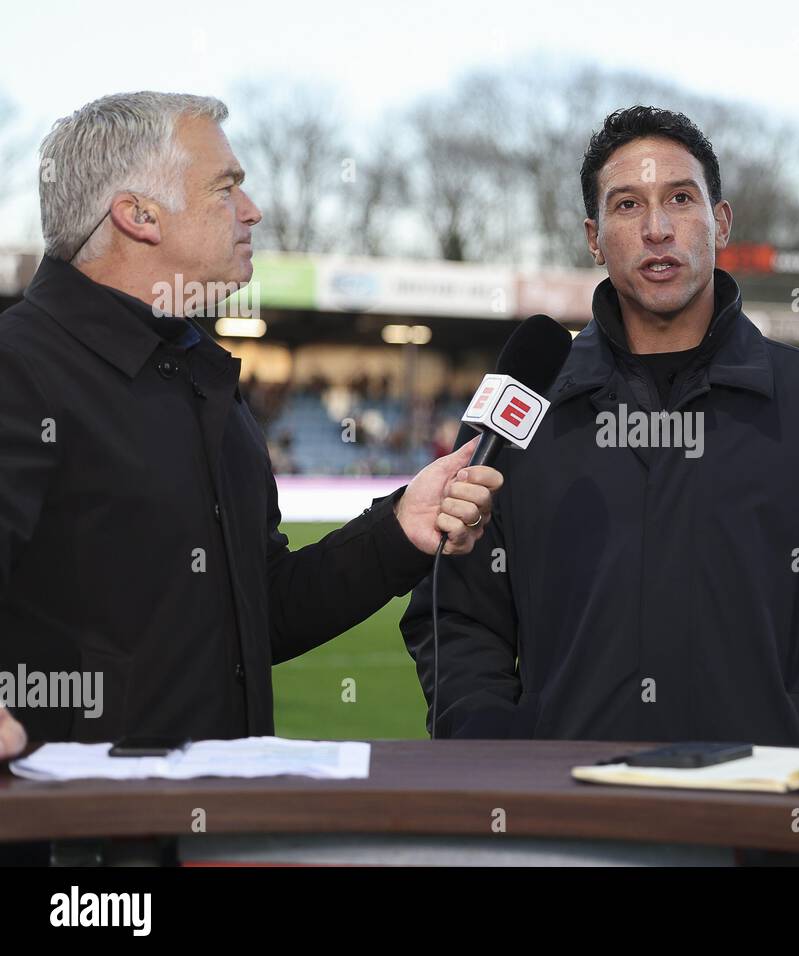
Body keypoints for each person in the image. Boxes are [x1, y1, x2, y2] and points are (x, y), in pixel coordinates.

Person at [402, 106, 799, 752]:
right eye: (627, 205)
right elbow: (456, 616)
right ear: (594, 237)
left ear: (720, 222)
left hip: (766, 810)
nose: (657, 229)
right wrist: (500, 754)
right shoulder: (517, 410)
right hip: (566, 808)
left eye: (680, 199)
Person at [0, 92, 502, 744]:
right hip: (67, 808)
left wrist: (399, 530)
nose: (252, 209)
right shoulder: (18, 368)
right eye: (226, 187)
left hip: (220, 800)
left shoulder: (203, 378)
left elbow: (259, 612)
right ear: (139, 215)